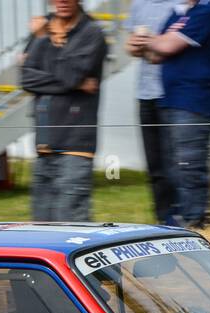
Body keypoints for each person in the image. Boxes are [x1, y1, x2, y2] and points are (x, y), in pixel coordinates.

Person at [132, 0, 210, 229]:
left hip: (193, 102)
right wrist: (145, 44)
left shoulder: (206, 10)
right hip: (171, 101)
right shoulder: (177, 13)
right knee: (172, 166)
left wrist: (147, 40)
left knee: (189, 165)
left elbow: (168, 46)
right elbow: (155, 55)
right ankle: (178, 221)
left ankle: (195, 221)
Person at [20, 0, 105, 222]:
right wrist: (43, 40)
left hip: (75, 146)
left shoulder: (92, 32)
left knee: (72, 228)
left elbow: (71, 75)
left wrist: (47, 42)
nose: (62, 1)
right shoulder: (43, 30)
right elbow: (26, 78)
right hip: (45, 145)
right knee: (42, 229)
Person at [125, 0, 174, 225]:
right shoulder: (139, 4)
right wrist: (135, 45)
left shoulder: (184, 5)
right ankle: (163, 220)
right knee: (155, 166)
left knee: (178, 163)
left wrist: (155, 44)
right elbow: (130, 47)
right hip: (146, 94)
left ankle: (186, 219)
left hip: (174, 94)